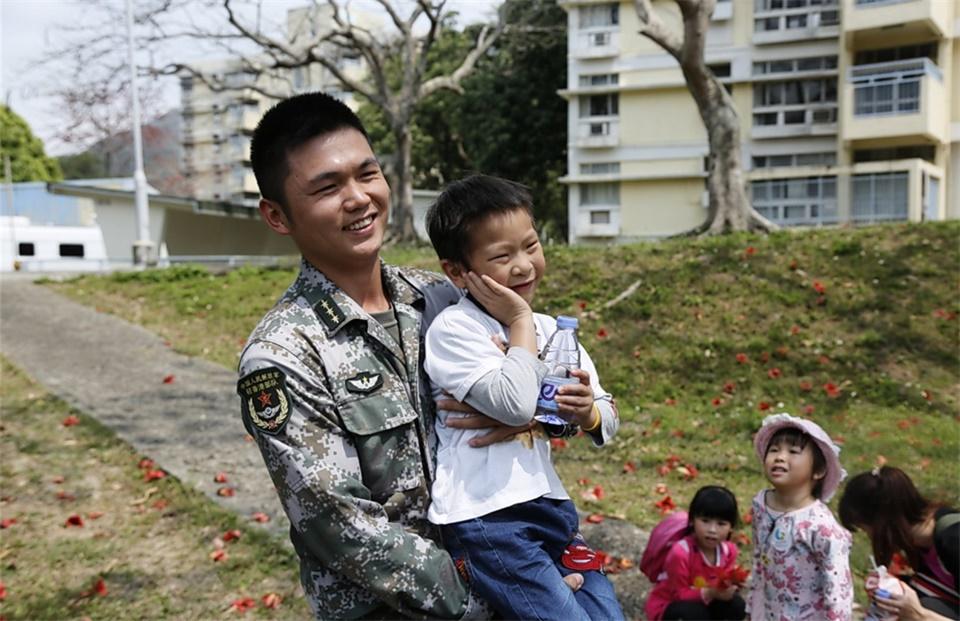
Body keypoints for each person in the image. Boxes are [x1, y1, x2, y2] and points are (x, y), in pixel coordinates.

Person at [237, 92, 526, 619]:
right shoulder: (282, 356)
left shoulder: (442, 298)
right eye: (328, 187)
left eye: (367, 174)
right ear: (277, 216)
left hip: (503, 567)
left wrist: (539, 416)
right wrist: (482, 600)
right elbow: (339, 524)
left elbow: (531, 380)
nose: (358, 198)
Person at [422, 174, 624, 621]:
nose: (523, 266)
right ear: (457, 271)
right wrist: (519, 320)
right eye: (502, 256)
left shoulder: (555, 330)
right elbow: (512, 402)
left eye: (530, 246)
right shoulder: (456, 330)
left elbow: (608, 418)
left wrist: (586, 411)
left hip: (550, 506)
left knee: (608, 614)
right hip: (489, 518)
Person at [748, 413, 854, 621]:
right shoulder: (761, 504)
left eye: (793, 451)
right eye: (774, 450)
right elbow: (759, 560)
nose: (780, 457)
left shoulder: (821, 526)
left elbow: (838, 591)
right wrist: (752, 608)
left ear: (819, 470)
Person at [839, 466, 959, 621]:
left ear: (883, 522)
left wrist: (920, 615)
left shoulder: (954, 540)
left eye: (865, 529)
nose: (870, 537)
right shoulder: (921, 542)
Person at [644, 486, 746, 621]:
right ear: (692, 520)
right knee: (694, 614)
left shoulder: (728, 552)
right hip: (674, 605)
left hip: (707, 601)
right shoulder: (681, 553)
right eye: (705, 521)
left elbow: (722, 583)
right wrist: (711, 592)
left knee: (737, 606)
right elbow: (678, 594)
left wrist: (731, 585)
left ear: (731, 527)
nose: (712, 530)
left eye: (721, 524)